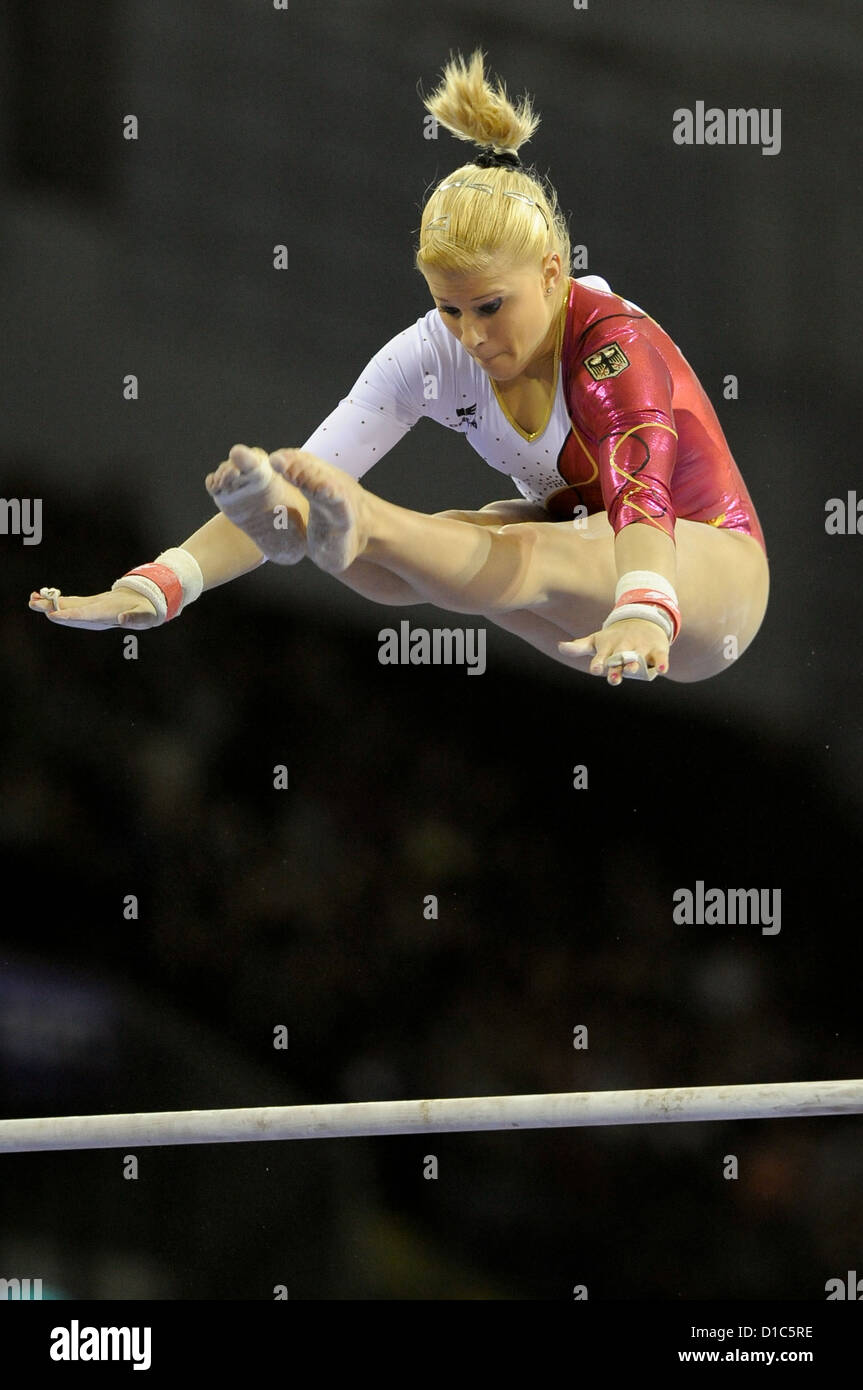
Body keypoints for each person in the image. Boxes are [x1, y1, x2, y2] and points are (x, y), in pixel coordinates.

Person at [29, 50, 768, 686]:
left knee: (530, 547)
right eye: (450, 309)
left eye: (489, 306)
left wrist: (642, 611)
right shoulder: (432, 351)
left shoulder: (611, 345)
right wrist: (157, 586)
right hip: (581, 576)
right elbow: (306, 468)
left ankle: (352, 521)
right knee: (415, 560)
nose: (470, 337)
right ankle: (332, 533)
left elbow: (640, 488)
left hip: (696, 574)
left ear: (552, 273)